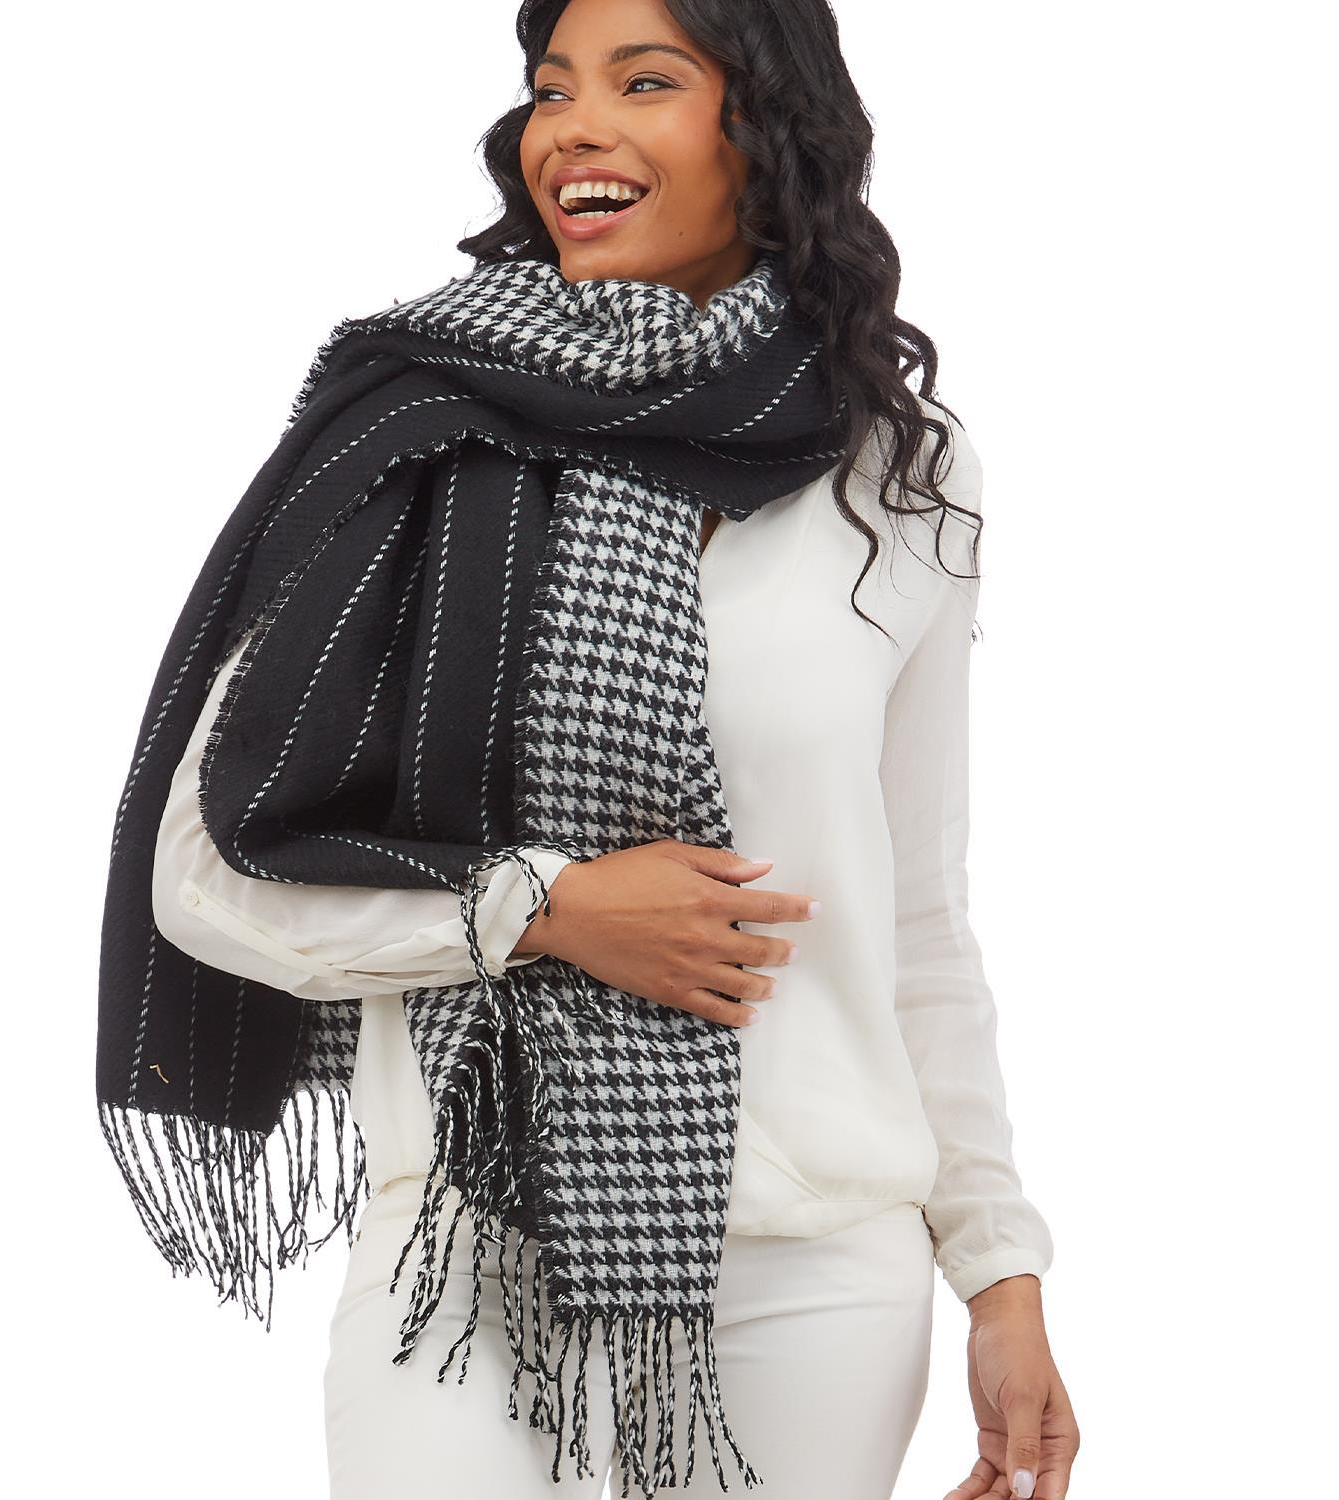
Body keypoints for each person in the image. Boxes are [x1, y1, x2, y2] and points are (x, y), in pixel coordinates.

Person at [138, 1, 1080, 1496]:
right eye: (551, 86)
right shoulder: (421, 437)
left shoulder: (901, 469)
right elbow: (209, 877)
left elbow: (916, 914)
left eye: (645, 81)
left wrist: (1000, 1272)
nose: (573, 126)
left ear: (765, 127)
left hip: (819, 1268)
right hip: (464, 1253)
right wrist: (545, 910)